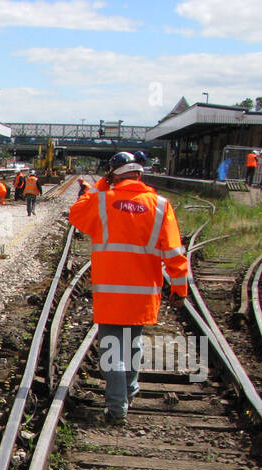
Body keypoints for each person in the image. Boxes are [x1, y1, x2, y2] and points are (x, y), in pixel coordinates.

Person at [68, 151, 189, 424]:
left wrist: (100, 185)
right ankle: (129, 392)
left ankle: (117, 408)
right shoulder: (160, 205)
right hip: (143, 294)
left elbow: (75, 215)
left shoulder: (102, 200)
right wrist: (180, 290)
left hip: (110, 292)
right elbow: (175, 254)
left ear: (113, 175)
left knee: (112, 349)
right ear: (140, 174)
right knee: (132, 346)